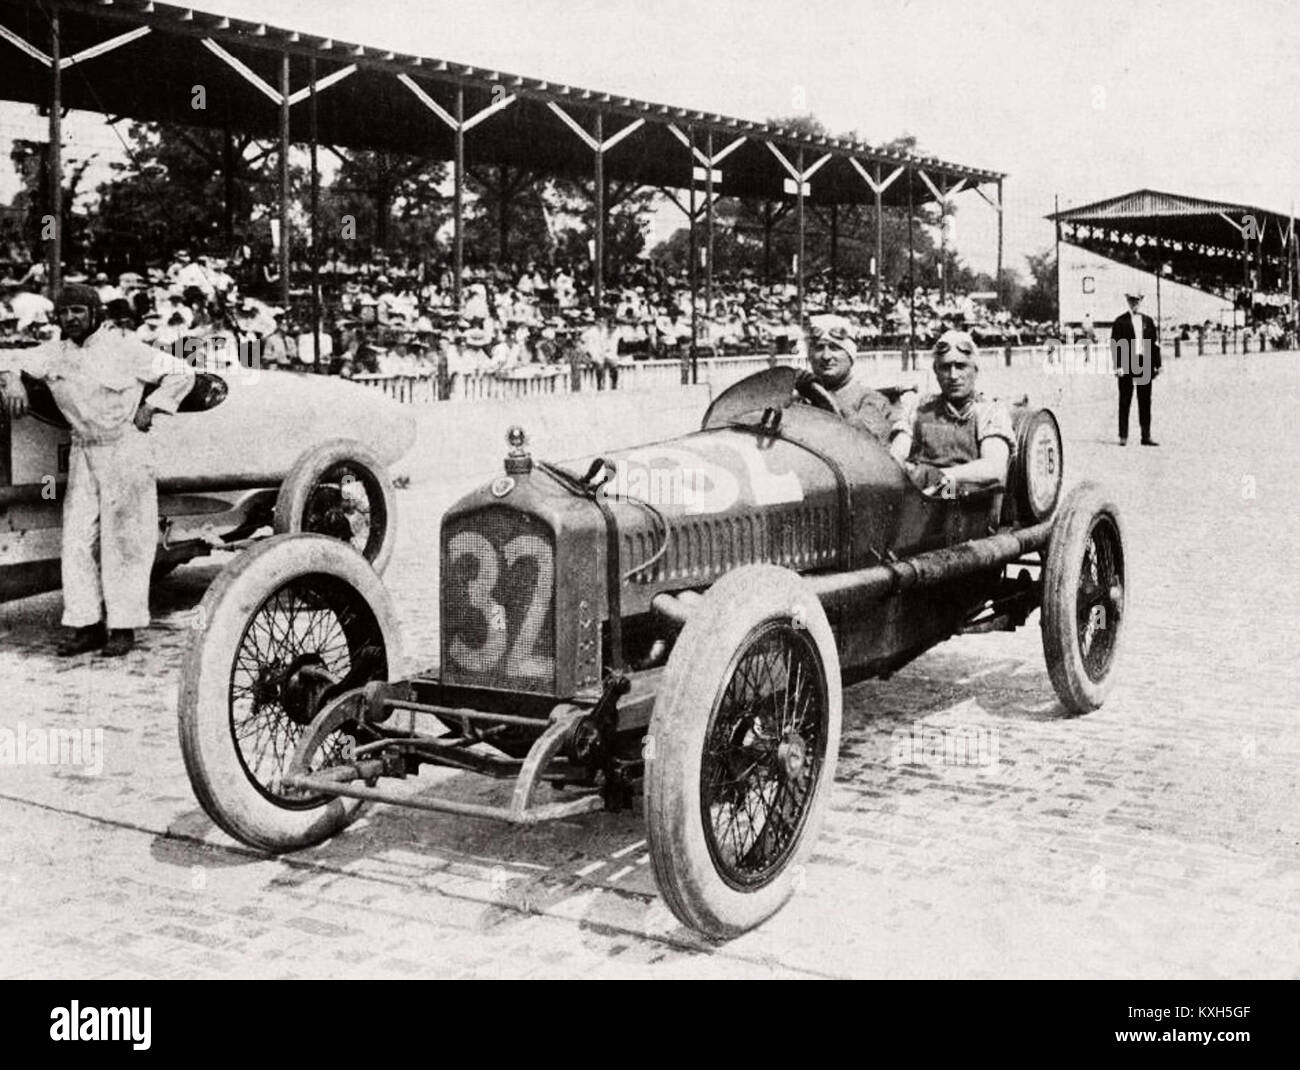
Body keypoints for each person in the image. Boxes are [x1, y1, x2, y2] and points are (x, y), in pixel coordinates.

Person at [0, 283, 194, 656]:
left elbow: (182, 372)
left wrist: (152, 407)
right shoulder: (54, 354)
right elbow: (11, 358)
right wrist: (12, 380)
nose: (70, 318)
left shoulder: (125, 348)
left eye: (78, 311)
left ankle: (123, 626)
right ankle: (85, 624)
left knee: (124, 540)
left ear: (94, 314)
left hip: (125, 447)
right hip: (83, 452)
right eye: (65, 312)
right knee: (76, 540)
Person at [889, 329, 1014, 495]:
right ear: (936, 371)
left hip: (967, 504)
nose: (953, 375)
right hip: (920, 498)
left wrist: (937, 477)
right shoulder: (918, 407)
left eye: (961, 366)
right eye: (945, 368)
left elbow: (994, 468)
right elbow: (896, 457)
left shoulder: (990, 411)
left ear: (975, 370)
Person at [797, 318, 894, 440]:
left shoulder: (871, 400)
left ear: (850, 356)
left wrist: (823, 399)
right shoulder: (800, 399)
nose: (826, 356)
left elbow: (867, 444)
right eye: (819, 348)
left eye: (835, 348)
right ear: (810, 356)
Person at [1108, 289, 1161, 446]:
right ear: (1127, 302)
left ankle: (1146, 436)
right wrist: (1117, 365)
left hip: (1144, 362)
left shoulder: (1148, 321)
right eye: (1131, 300)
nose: (1134, 303)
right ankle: (1123, 436)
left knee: (1145, 400)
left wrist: (1157, 365)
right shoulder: (1120, 321)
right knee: (1125, 399)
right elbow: (1115, 345)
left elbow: (1154, 344)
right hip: (1126, 362)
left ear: (1141, 301)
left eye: (1137, 300)